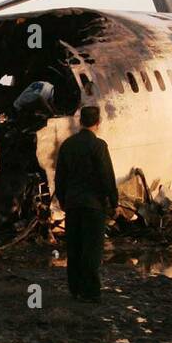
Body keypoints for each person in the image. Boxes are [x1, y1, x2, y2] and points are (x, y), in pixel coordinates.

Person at [52, 106, 118, 302]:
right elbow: (107, 176)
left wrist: (63, 200)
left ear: (80, 122)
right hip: (93, 205)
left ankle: (75, 288)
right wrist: (113, 201)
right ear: (98, 123)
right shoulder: (98, 146)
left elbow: (60, 177)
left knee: (74, 247)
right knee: (92, 248)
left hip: (72, 204)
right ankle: (90, 291)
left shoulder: (68, 145)